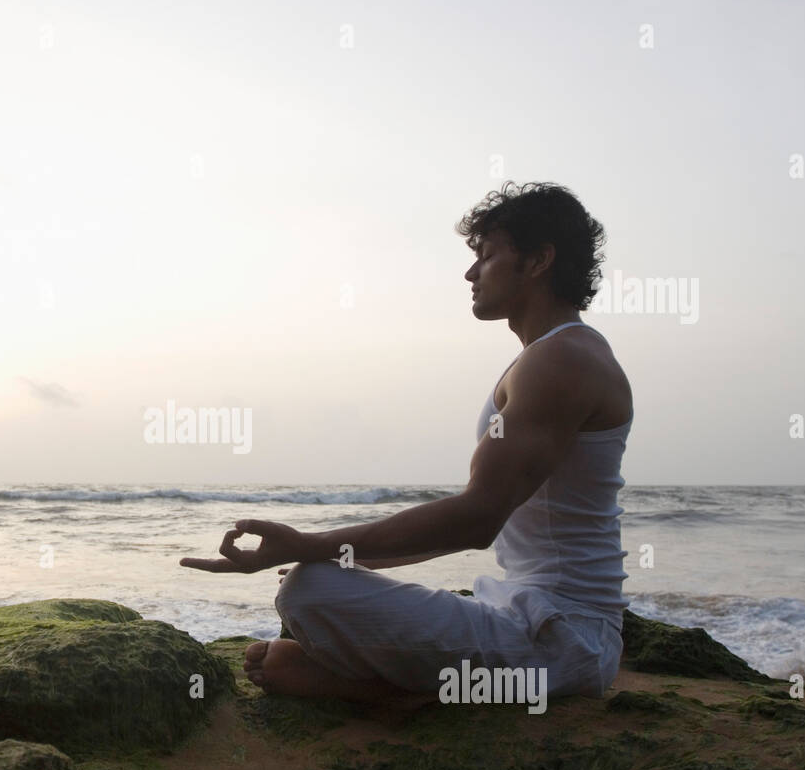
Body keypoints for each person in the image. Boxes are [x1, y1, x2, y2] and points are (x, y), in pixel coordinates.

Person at [180, 181, 633, 706]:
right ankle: (411, 686)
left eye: (487, 256)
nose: (470, 273)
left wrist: (309, 545)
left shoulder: (562, 360)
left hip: (564, 640)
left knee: (310, 587)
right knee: (322, 579)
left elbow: (477, 519)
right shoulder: (549, 357)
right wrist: (348, 559)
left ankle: (386, 696)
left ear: (539, 261)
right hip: (536, 618)